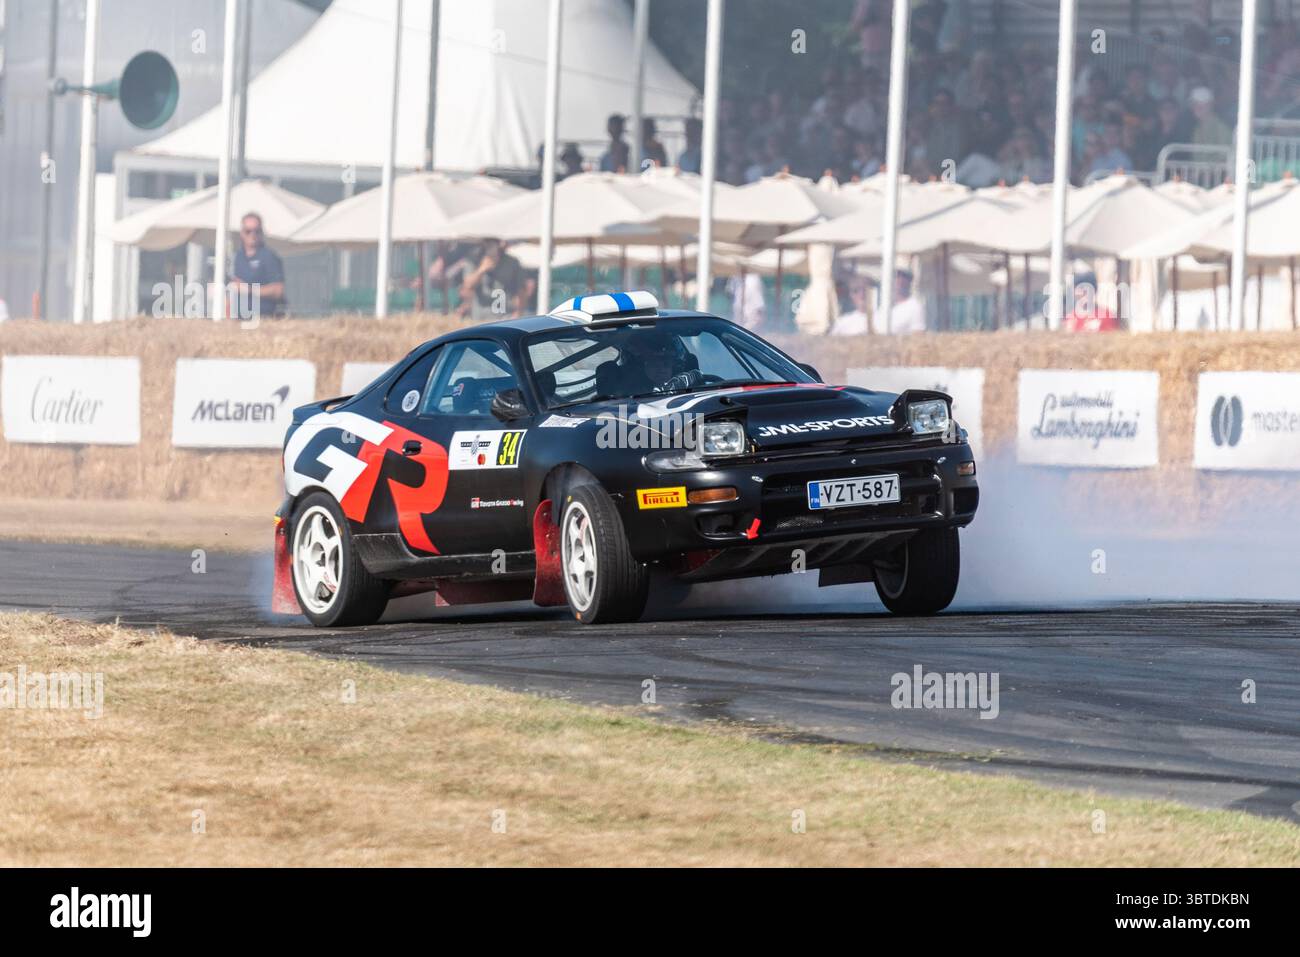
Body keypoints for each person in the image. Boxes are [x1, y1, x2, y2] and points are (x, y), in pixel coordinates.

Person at [459, 239, 532, 322]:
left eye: (492, 245)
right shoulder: (473, 260)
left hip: (505, 317)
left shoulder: (512, 262)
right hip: (480, 318)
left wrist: (518, 313)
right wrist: (482, 269)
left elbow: (521, 289)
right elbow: (468, 285)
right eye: (487, 244)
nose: (489, 248)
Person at [230, 212, 286, 318]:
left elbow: (278, 290)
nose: (253, 235)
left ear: (262, 232)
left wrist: (250, 290)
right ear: (242, 233)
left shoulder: (269, 257)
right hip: (239, 318)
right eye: (248, 231)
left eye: (257, 231)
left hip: (264, 317)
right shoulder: (237, 257)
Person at [881, 269, 926, 335]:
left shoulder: (915, 307)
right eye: (897, 277)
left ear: (909, 282)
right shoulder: (884, 305)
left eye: (904, 278)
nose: (900, 281)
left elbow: (918, 335)